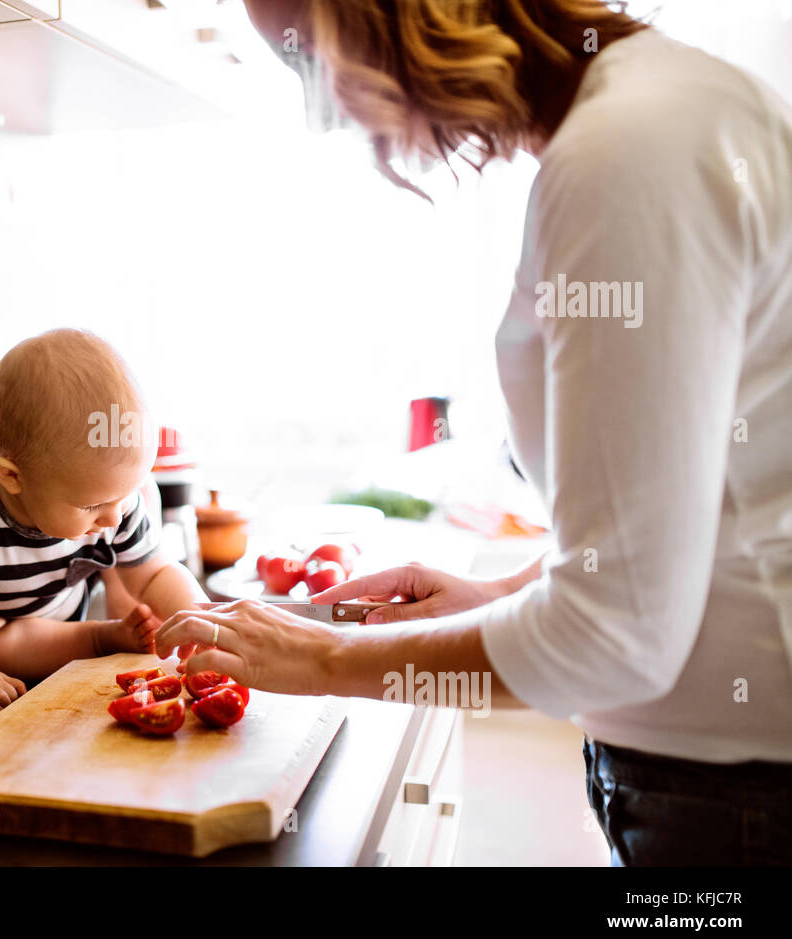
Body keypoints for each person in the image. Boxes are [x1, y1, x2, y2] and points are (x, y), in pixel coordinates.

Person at [156, 0, 792, 865]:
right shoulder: (664, 109)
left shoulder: (627, 152)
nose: (321, 112)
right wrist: (501, 599)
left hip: (735, 806)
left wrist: (328, 657)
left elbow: (612, 642)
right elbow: (703, 503)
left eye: (309, 62)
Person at [0, 328, 207, 723]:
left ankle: (103, 634)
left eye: (127, 494)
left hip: (57, 612)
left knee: (131, 566)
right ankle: (99, 637)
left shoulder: (110, 497)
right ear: (11, 477)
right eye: (91, 505)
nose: (114, 517)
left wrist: (201, 622)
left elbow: (154, 575)